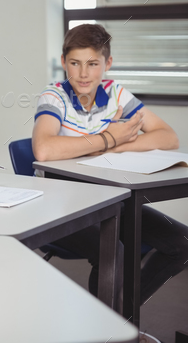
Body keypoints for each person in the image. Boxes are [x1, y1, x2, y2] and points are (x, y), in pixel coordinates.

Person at [32, 23, 188, 341]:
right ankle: (104, 329)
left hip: (113, 203)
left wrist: (115, 143)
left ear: (108, 64)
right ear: (63, 62)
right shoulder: (55, 96)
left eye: (93, 63)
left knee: (181, 244)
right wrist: (107, 137)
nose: (84, 73)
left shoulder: (115, 94)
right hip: (64, 206)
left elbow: (168, 137)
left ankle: (119, 319)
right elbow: (45, 149)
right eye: (75, 63)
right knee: (113, 249)